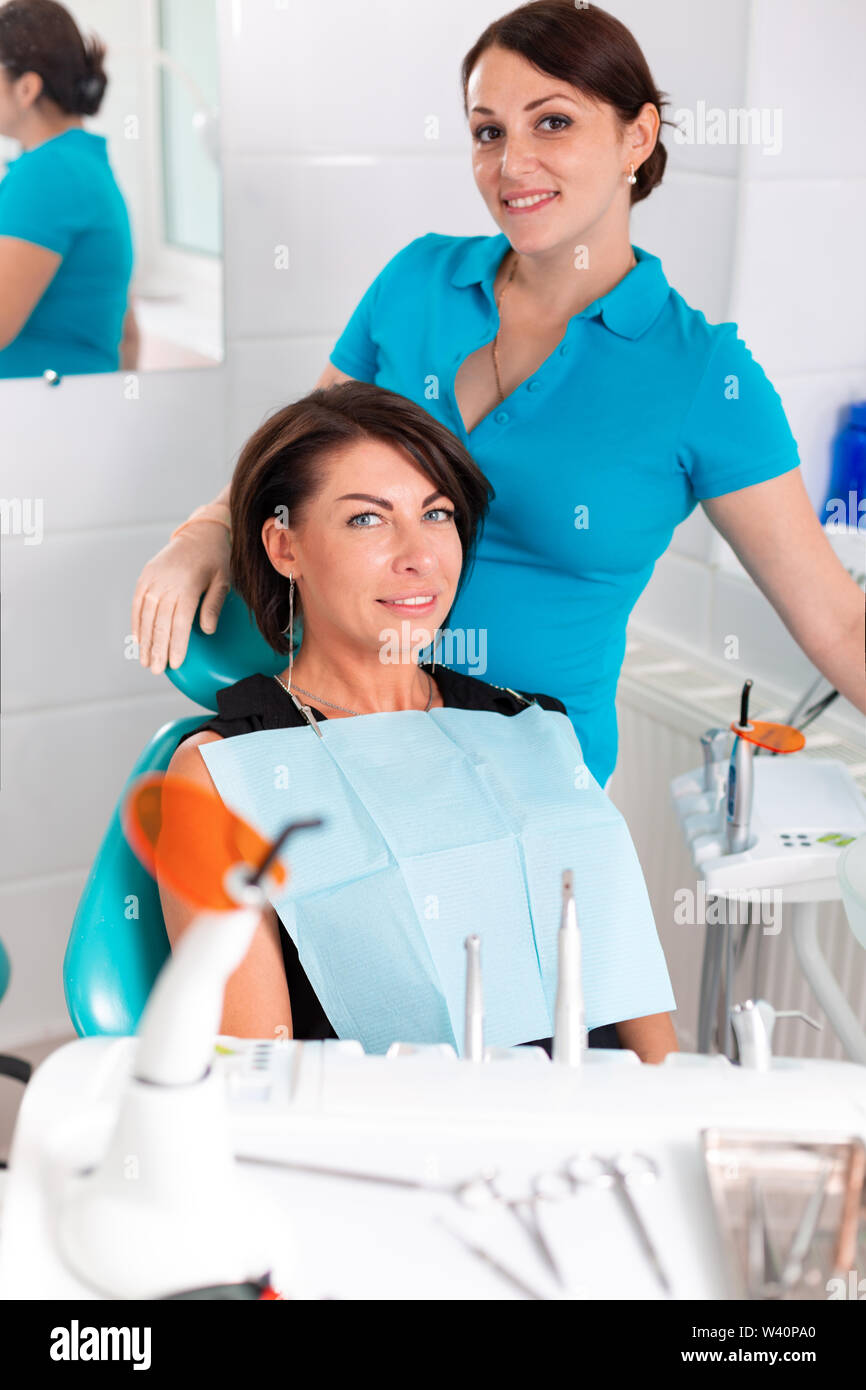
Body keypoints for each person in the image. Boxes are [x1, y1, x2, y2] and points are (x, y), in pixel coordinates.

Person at [133, 0, 866, 790]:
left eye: (552, 122)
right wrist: (206, 531)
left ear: (637, 137)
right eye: (489, 131)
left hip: (532, 795)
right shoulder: (419, 281)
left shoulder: (702, 378)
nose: (513, 163)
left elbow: (841, 623)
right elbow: (294, 463)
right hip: (342, 752)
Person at [160, 380, 679, 1062]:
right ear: (284, 547)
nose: (420, 556)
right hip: (387, 1146)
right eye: (367, 520)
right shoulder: (224, 775)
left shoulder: (531, 726)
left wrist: (680, 1110)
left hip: (598, 1122)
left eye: (436, 515)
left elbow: (629, 986)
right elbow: (261, 1079)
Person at [0, 0, 134, 378]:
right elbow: (130, 335)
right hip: (69, 413)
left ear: (26, 88)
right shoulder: (82, 166)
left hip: (43, 419)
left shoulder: (50, 173)